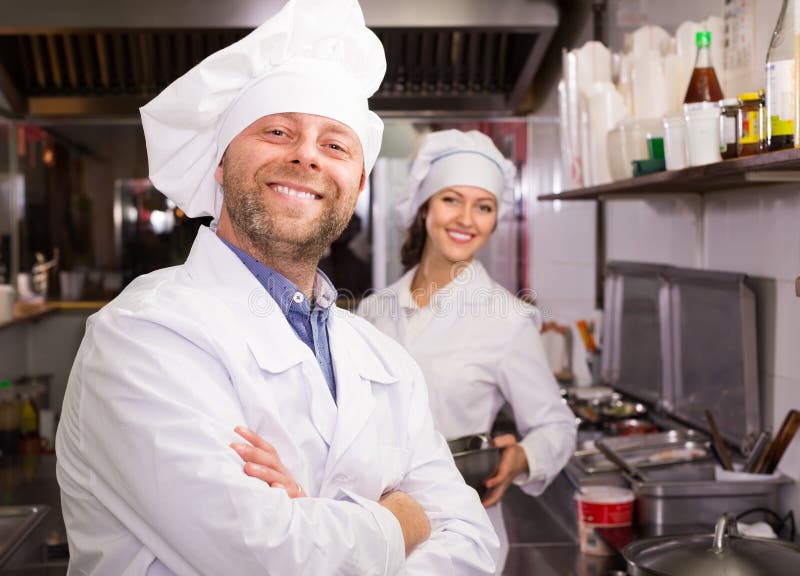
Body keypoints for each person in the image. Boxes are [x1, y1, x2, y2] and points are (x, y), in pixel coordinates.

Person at [55, 2, 498, 574]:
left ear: (357, 183)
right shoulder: (141, 337)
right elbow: (269, 557)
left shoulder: (384, 361)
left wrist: (315, 517)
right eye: (278, 131)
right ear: (221, 162)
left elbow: (474, 545)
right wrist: (405, 518)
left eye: (336, 145)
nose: (306, 156)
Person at [357, 129, 577, 574]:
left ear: (496, 219)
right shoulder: (374, 310)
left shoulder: (507, 320)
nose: (466, 220)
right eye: (451, 200)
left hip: (459, 541)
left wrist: (523, 459)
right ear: (425, 206)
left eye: (484, 207)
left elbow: (556, 425)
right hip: (372, 531)